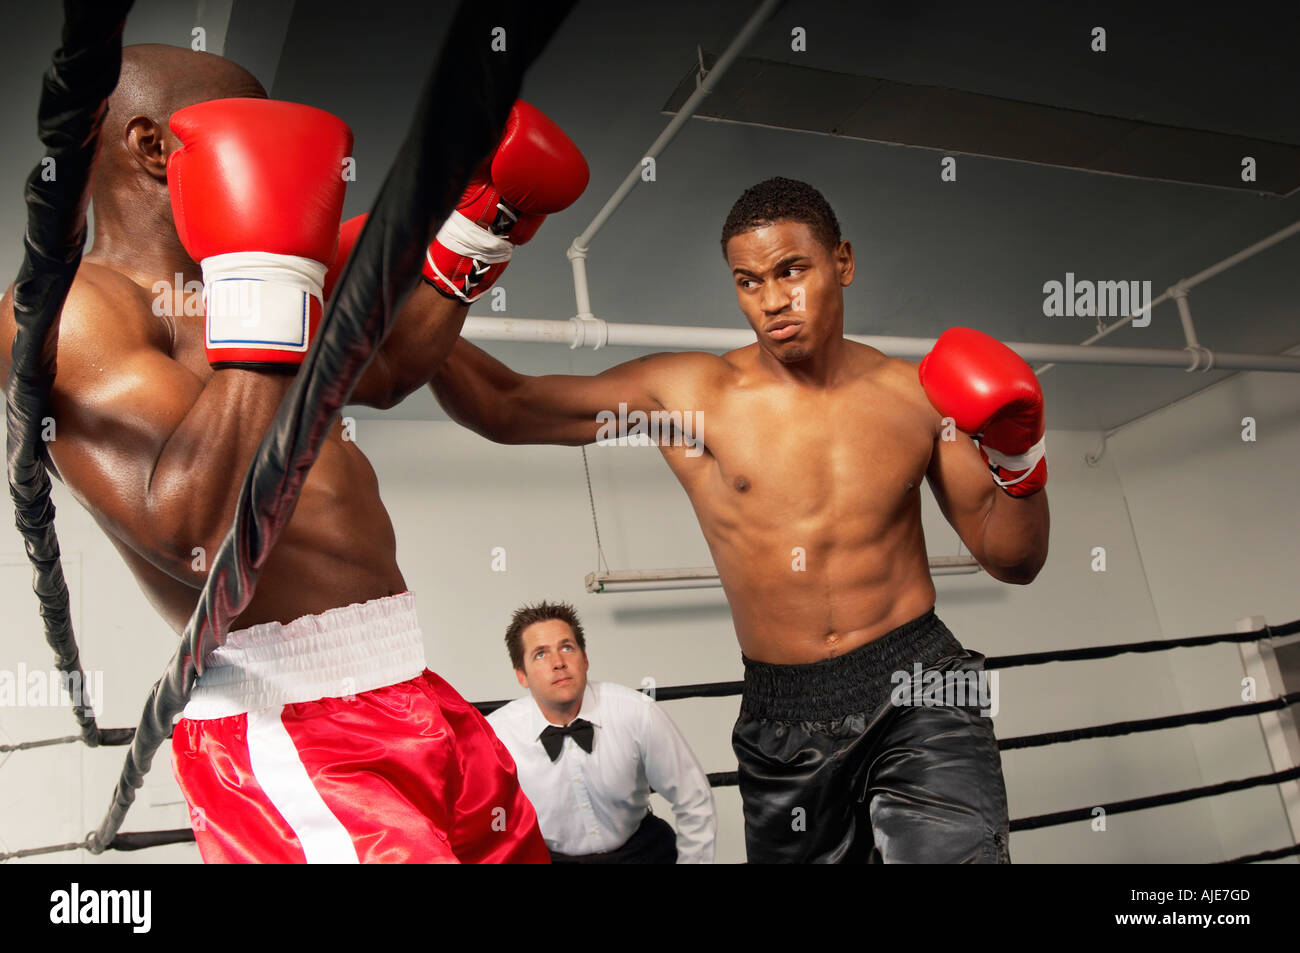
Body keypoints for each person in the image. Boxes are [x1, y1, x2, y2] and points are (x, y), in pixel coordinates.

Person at [0, 44, 589, 863]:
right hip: (290, 725)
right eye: (251, 127)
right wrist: (266, 278)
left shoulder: (241, 285)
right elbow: (190, 526)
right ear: (152, 146)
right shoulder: (80, 310)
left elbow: (386, 370)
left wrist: (482, 224)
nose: (282, 153)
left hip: (407, 680)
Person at [429, 177, 1050, 863]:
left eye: (792, 270)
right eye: (748, 281)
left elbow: (1012, 558)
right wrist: (428, 285)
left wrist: (1020, 459)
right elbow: (507, 406)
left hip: (921, 681)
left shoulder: (918, 395)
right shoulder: (695, 396)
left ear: (841, 261)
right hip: (783, 714)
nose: (773, 300)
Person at [486, 602, 716, 863]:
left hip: (642, 852)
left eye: (566, 647)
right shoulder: (497, 737)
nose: (558, 663)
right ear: (521, 676)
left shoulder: (636, 712)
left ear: (584, 660)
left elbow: (693, 799)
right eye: (540, 654)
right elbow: (481, 827)